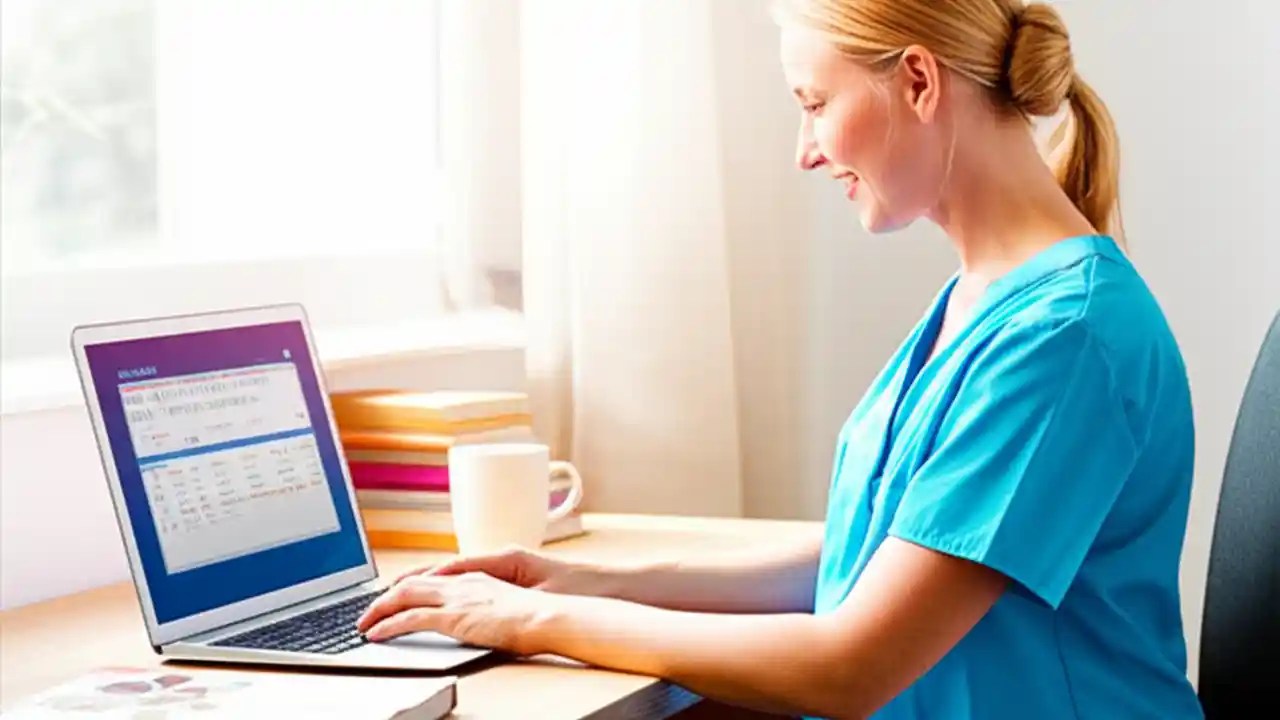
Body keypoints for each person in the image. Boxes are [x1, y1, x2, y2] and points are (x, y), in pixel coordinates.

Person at [356, 1, 1205, 717]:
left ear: (918, 81)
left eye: (815, 103)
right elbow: (875, 560)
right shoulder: (986, 298)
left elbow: (851, 667)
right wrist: (579, 584)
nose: (806, 149)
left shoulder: (1064, 339)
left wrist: (528, 623)